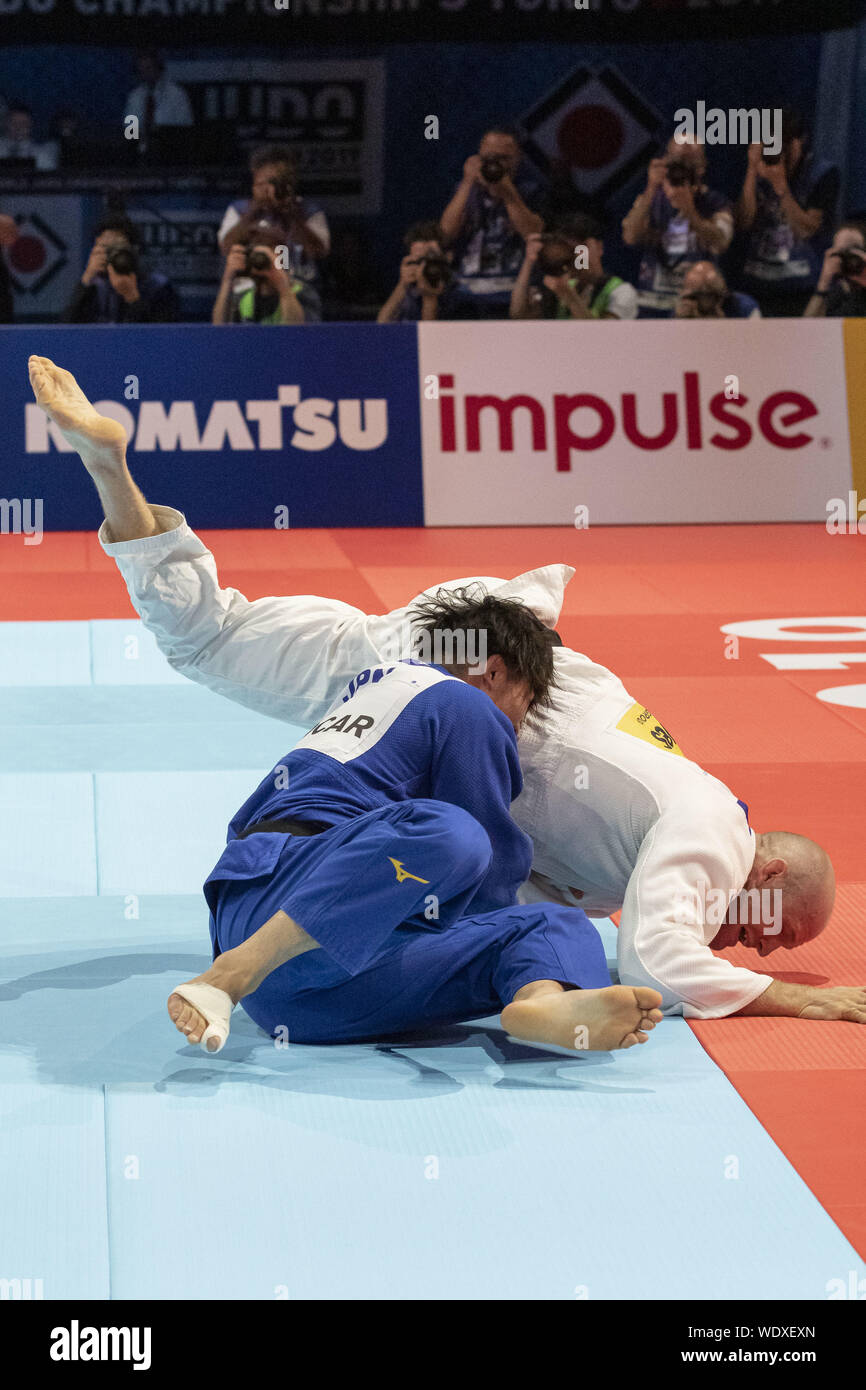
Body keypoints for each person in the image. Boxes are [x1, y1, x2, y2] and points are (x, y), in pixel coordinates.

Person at [26, 355, 866, 1033]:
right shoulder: (715, 828)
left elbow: (528, 885)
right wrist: (801, 1000)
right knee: (452, 831)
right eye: (773, 925)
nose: (755, 945)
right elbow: (659, 963)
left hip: (463, 645)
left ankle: (109, 471)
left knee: (209, 636)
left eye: (769, 950)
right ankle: (258, 957)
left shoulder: (636, 852)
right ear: (771, 865)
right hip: (469, 662)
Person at [735, 109, 839, 317]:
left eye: (784, 144)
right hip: (758, 286)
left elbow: (807, 229)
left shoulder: (823, 173)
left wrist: (780, 186)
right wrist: (751, 171)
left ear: (800, 142)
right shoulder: (759, 166)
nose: (779, 151)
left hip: (801, 288)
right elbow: (743, 222)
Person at [439, 124, 545, 319]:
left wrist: (507, 192)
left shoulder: (532, 191)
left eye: (503, 158)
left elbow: (533, 234)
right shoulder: (464, 191)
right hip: (465, 298)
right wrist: (467, 182)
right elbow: (445, 235)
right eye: (488, 157)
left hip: (512, 297)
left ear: (518, 158)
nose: (495, 164)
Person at [621, 134, 733, 317]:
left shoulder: (716, 203)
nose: (682, 168)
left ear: (702, 168)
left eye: (690, 162)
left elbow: (721, 242)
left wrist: (689, 210)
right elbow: (630, 237)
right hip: (652, 304)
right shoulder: (650, 200)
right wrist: (651, 188)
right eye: (676, 161)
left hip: (695, 308)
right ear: (665, 161)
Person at [218, 145, 329, 303]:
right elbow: (226, 247)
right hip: (248, 292)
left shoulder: (308, 211)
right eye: (261, 184)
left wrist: (290, 213)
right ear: (254, 183)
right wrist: (254, 211)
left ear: (290, 184)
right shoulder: (240, 210)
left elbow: (319, 251)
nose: (268, 190)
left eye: (275, 183)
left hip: (299, 292)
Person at [510, 216, 638, 321]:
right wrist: (529, 260)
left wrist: (569, 297)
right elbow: (519, 315)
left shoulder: (621, 292)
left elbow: (604, 338)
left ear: (599, 247)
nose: (578, 258)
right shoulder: (559, 286)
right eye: (571, 252)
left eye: (582, 248)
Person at [61, 214, 178, 325]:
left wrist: (133, 298)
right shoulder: (94, 287)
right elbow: (66, 332)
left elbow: (164, 337)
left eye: (118, 247)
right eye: (106, 247)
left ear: (134, 249)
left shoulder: (158, 286)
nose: (113, 254)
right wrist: (86, 281)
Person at [212, 227, 319, 325]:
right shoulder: (243, 296)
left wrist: (283, 286)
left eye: (272, 253)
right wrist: (227, 280)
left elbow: (300, 335)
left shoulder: (302, 292)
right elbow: (219, 331)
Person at [377, 221, 461, 323]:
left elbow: (431, 336)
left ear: (448, 257)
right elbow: (382, 325)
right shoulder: (408, 288)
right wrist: (402, 284)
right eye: (420, 261)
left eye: (431, 260)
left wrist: (430, 299)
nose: (424, 267)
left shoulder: (459, 288)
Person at [123, 49, 193, 155]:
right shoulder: (134, 97)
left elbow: (185, 127)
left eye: (148, 68)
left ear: (158, 68)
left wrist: (161, 133)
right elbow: (130, 131)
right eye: (141, 70)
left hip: (172, 151)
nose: (145, 74)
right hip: (141, 149)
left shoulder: (177, 94)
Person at [803, 219, 866, 318]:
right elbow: (808, 328)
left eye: (855, 249)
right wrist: (823, 284)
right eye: (842, 251)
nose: (849, 256)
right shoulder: (835, 292)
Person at [674, 261, 761, 319]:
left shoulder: (745, 307)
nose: (695, 301)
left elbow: (756, 340)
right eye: (692, 297)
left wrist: (721, 325)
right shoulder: (684, 308)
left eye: (705, 295)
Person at [0, 103, 58, 171]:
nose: (18, 128)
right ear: (6, 124)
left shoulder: (41, 154)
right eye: (14, 123)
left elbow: (51, 178)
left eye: (24, 123)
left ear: (31, 126)